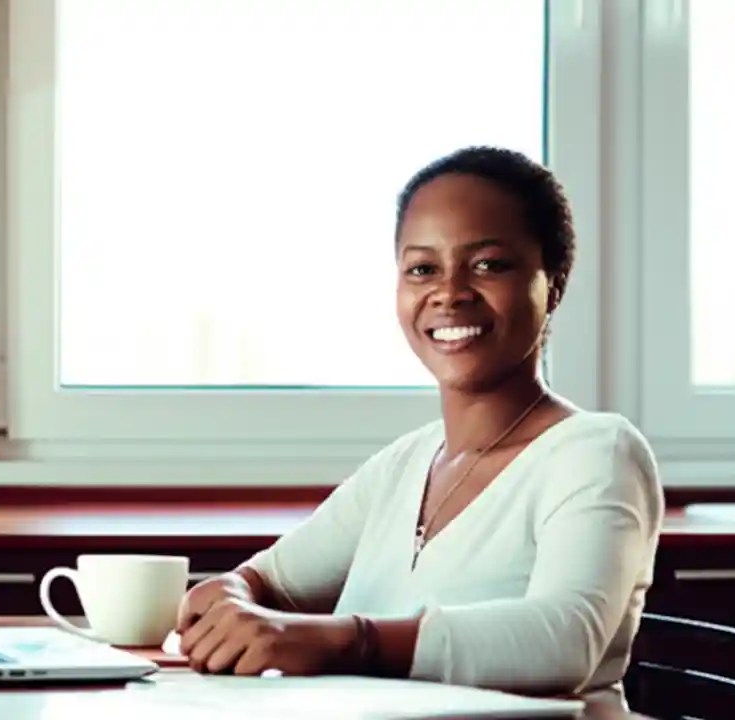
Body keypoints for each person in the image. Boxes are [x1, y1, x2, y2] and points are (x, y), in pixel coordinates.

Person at [175, 146, 664, 706]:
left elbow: (564, 643)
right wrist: (231, 597)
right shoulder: (407, 463)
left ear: (553, 284)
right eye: (423, 269)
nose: (450, 292)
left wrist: (347, 639)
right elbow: (269, 583)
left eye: (488, 264)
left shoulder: (596, 452)